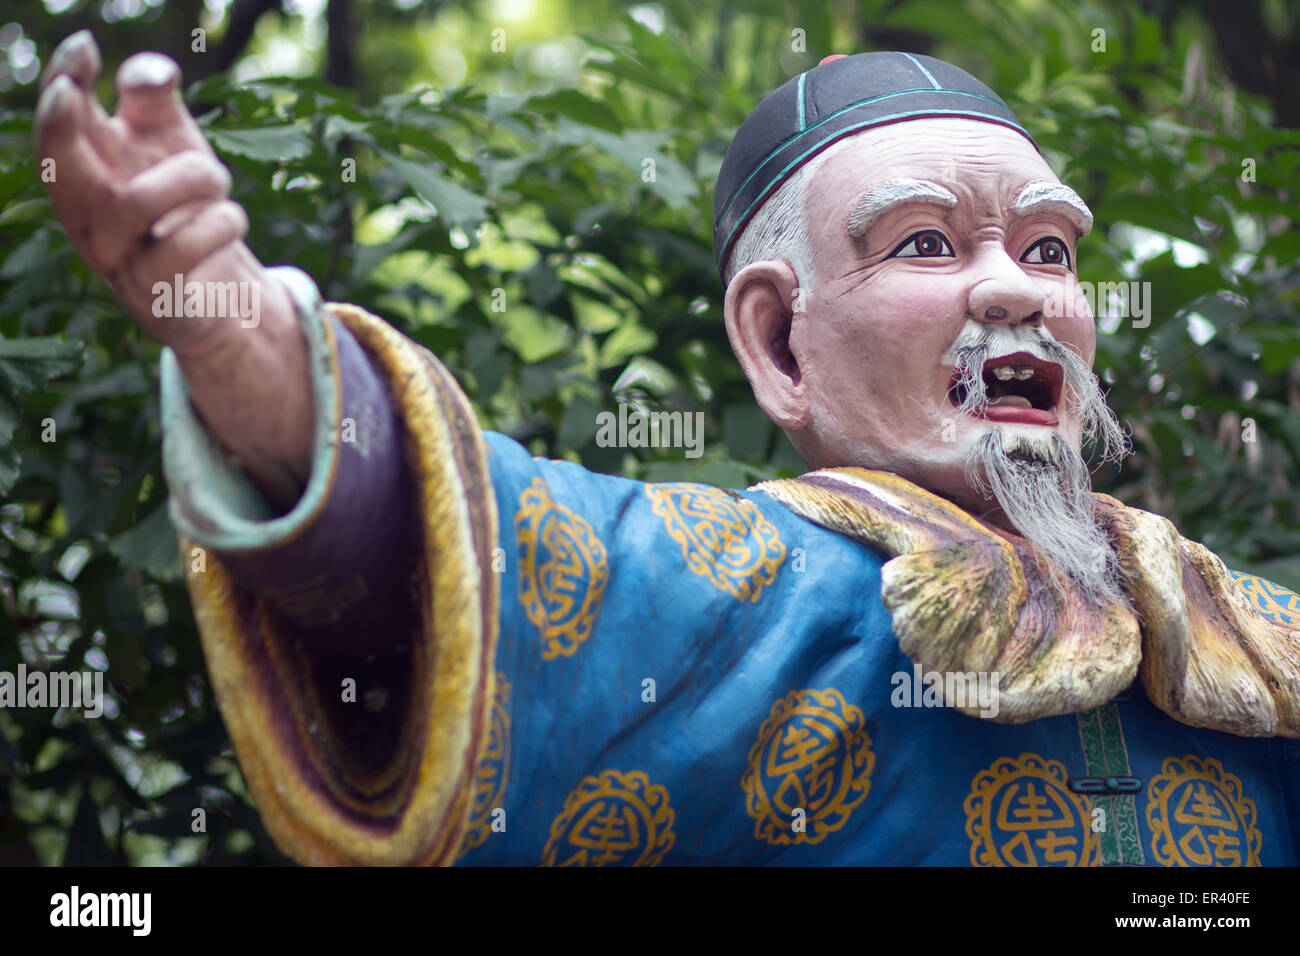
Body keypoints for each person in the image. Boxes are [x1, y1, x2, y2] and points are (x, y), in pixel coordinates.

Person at [34, 33, 1300, 866]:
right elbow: (441, 532)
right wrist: (230, 320)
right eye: (922, 242)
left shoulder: (1247, 629)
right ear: (778, 341)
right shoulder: (727, 589)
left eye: (1047, 250)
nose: (1016, 290)